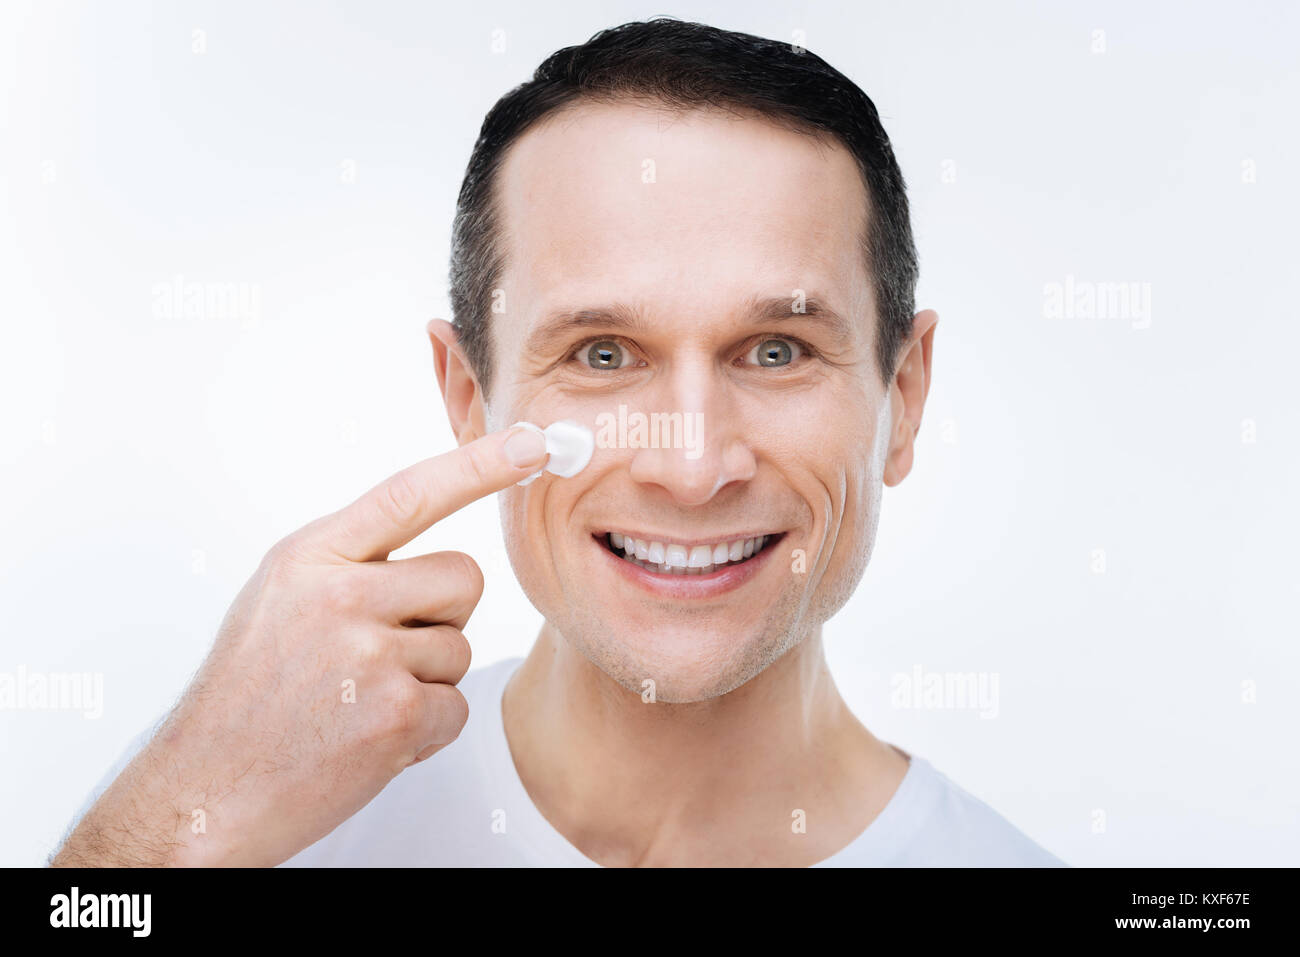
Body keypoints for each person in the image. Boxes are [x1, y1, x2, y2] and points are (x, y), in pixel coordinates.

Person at [52, 17, 1063, 867]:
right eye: (604, 354)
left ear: (906, 393)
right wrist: (170, 828)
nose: (692, 464)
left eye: (775, 350)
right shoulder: (239, 824)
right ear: (468, 394)